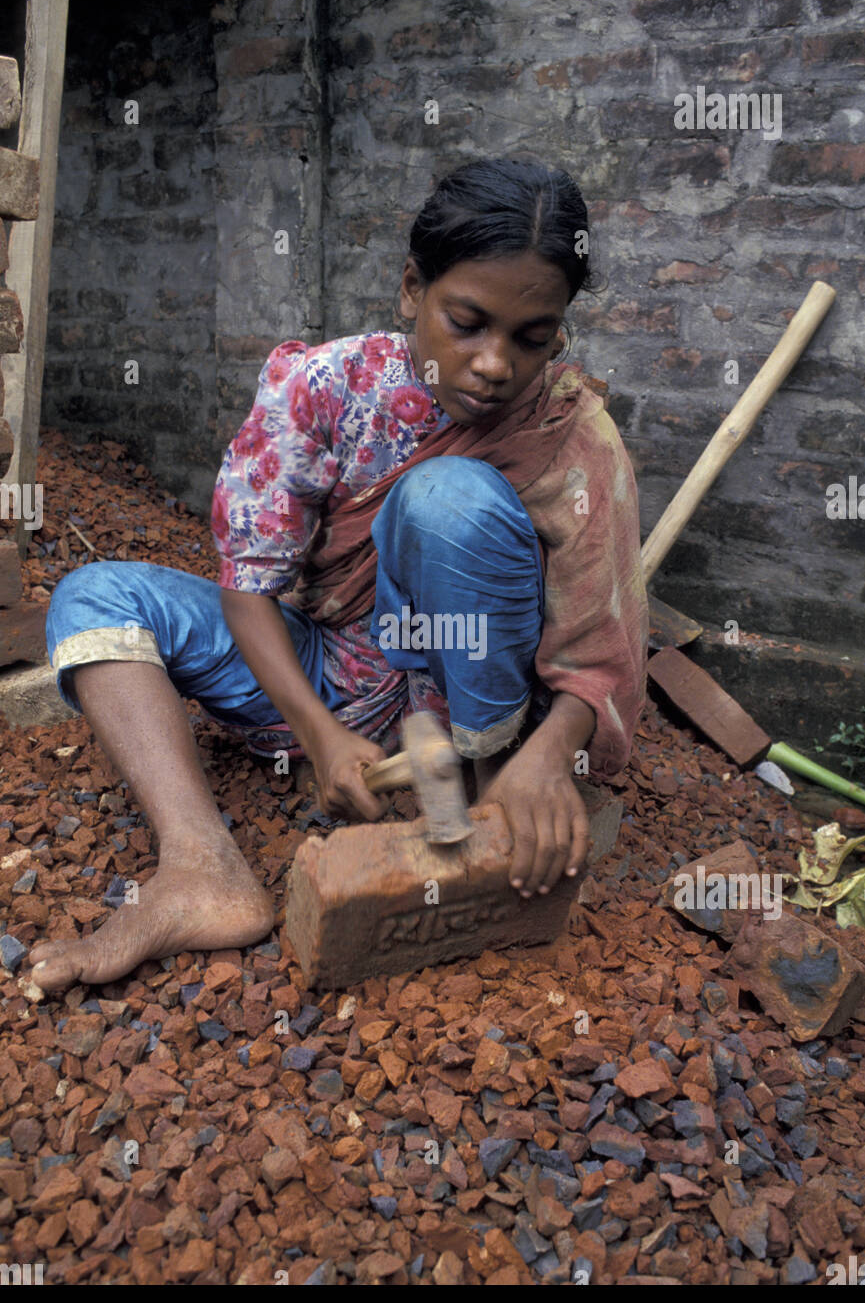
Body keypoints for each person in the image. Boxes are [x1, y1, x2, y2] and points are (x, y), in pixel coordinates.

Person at [32, 155, 648, 993]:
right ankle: (200, 867)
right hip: (338, 678)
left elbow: (598, 647)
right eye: (466, 321)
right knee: (93, 595)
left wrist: (549, 754)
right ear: (409, 290)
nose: (495, 363)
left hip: (478, 690)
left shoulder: (570, 433)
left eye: (531, 338)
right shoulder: (326, 389)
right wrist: (320, 735)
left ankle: (494, 778)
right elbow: (248, 586)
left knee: (444, 499)